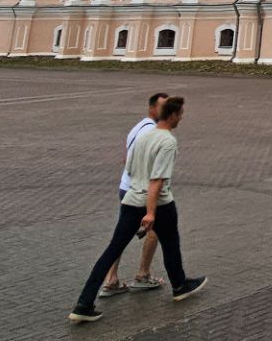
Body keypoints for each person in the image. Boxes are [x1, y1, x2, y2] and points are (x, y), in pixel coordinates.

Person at [70, 95, 205, 323]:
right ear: (172, 115)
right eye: (180, 114)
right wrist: (150, 212)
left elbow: (129, 167)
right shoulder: (167, 141)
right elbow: (157, 180)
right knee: (171, 244)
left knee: (112, 250)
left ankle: (83, 303)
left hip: (131, 199)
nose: (181, 118)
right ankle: (180, 286)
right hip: (158, 203)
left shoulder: (143, 136)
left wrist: (136, 198)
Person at [99, 92, 170, 298]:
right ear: (152, 109)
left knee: (122, 235)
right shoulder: (151, 132)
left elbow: (127, 159)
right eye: (163, 107)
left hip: (126, 186)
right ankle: (142, 275)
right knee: (156, 229)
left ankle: (111, 280)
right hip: (141, 190)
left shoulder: (138, 127)